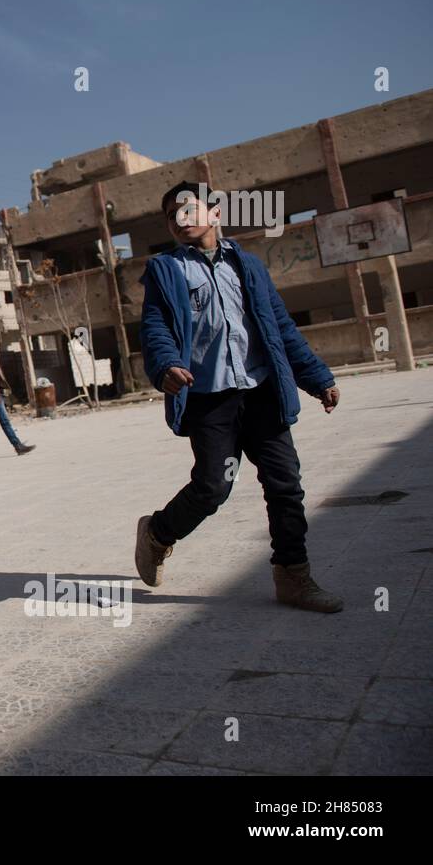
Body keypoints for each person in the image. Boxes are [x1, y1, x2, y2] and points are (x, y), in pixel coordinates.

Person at [135, 180, 343, 612]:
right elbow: (155, 328)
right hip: (209, 398)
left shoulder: (248, 266)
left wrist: (316, 377)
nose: (179, 219)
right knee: (213, 486)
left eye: (188, 209)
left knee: (285, 485)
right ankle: (158, 532)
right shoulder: (166, 270)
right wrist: (165, 365)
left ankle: (293, 576)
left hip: (261, 392)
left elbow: (280, 327)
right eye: (171, 214)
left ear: (215, 213)